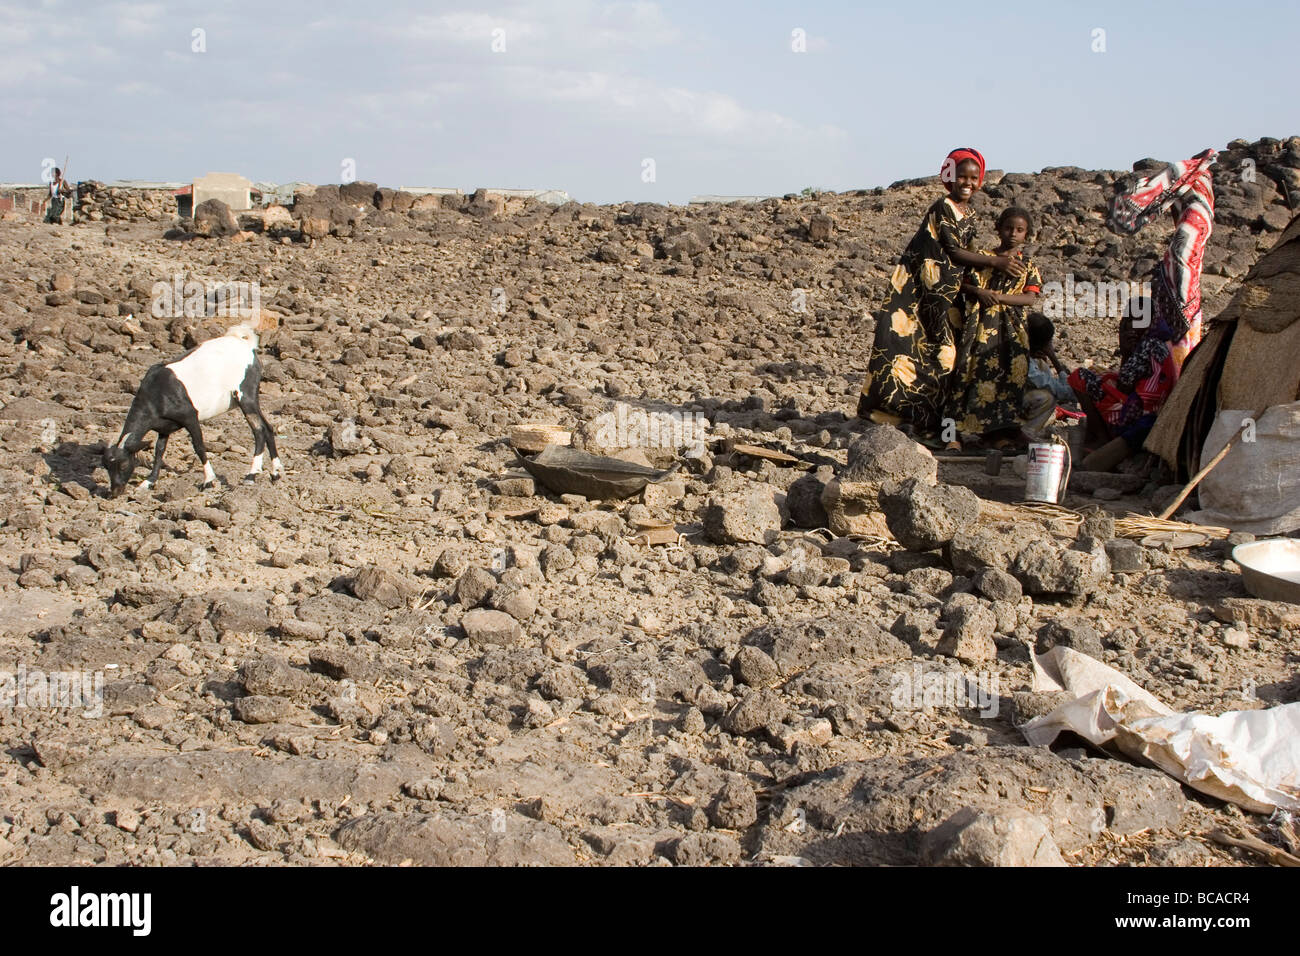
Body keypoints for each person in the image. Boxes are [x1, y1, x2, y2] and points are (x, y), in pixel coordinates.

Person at [857, 148, 1026, 438]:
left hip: (951, 294)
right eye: (962, 176)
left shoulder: (969, 213)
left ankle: (930, 422)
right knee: (925, 354)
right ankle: (901, 415)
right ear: (951, 177)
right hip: (925, 294)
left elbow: (969, 255)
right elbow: (952, 251)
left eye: (973, 178)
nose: (967, 183)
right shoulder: (943, 207)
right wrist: (995, 262)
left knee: (941, 357)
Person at [1068, 149, 1217, 467]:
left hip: (1146, 400)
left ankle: (1100, 442)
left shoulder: (1159, 337)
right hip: (1175, 343)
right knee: (1184, 249)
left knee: (1184, 248)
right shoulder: (1162, 336)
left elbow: (1188, 245)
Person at [946, 206, 1042, 450]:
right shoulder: (980, 258)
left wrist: (998, 297)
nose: (1013, 234)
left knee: (1010, 379)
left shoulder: (1027, 265)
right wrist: (978, 291)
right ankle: (956, 432)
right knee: (971, 372)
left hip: (1012, 329)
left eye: (1019, 230)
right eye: (1009, 228)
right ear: (998, 228)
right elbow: (960, 285)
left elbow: (1030, 299)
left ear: (1026, 235)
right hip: (979, 326)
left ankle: (998, 434)